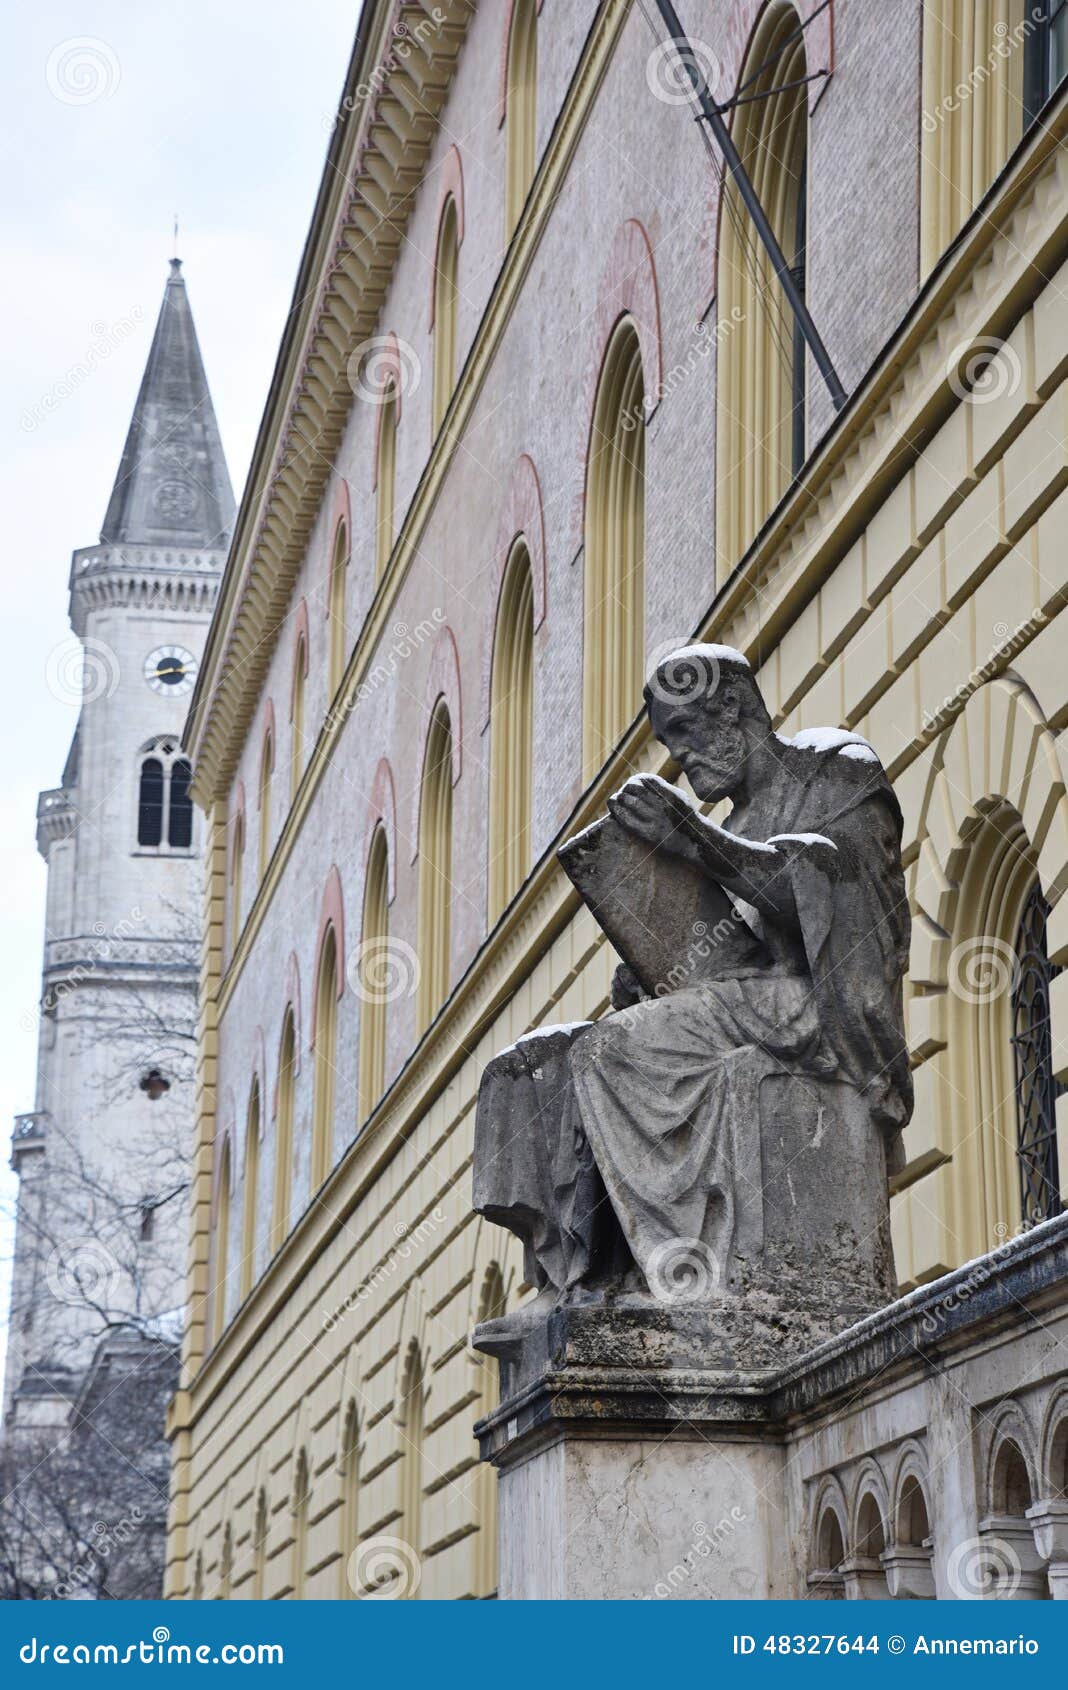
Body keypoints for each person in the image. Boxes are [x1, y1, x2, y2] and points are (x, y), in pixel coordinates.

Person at [473, 645, 912, 1304]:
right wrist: (650, 971)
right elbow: (725, 953)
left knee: (608, 1053)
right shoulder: (735, 823)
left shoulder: (834, 769)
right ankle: (577, 1281)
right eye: (668, 742)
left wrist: (699, 842)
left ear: (732, 707)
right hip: (748, 1003)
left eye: (683, 731)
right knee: (533, 1071)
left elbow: (834, 893)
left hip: (819, 1006)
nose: (679, 757)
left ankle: (680, 1274)